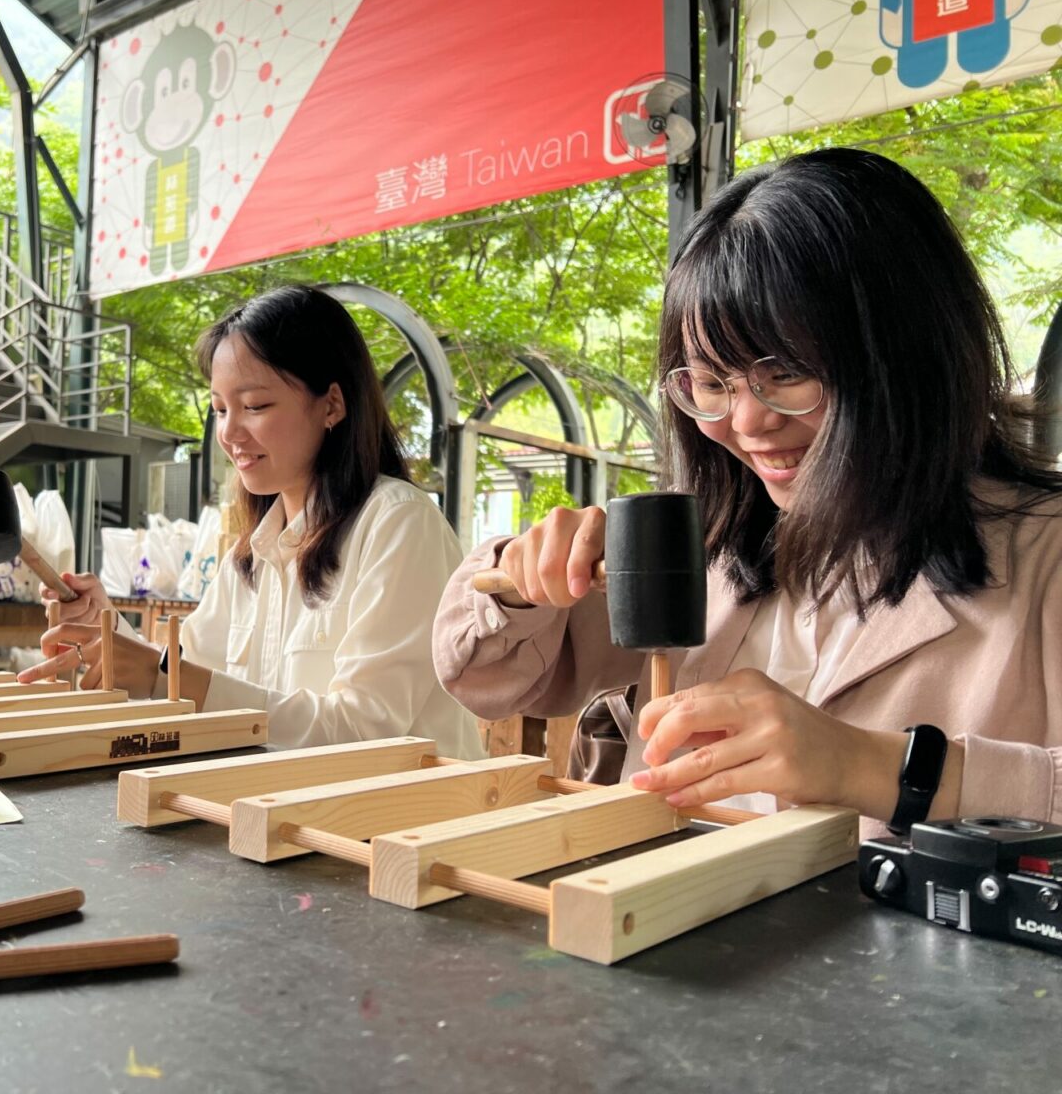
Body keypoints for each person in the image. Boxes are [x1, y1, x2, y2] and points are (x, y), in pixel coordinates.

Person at [433, 147, 1062, 829]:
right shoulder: (709, 553)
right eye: (711, 383)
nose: (746, 422)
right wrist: (523, 580)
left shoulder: (1045, 558)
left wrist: (869, 765)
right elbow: (486, 679)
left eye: (785, 372)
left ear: (907, 354)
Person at [22, 284, 485, 759]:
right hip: (283, 815)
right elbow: (188, 671)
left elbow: (363, 732)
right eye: (220, 409)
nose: (229, 433)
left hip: (400, 823)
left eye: (255, 406)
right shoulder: (254, 552)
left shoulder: (400, 524)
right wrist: (109, 629)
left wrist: (157, 673)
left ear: (331, 405)